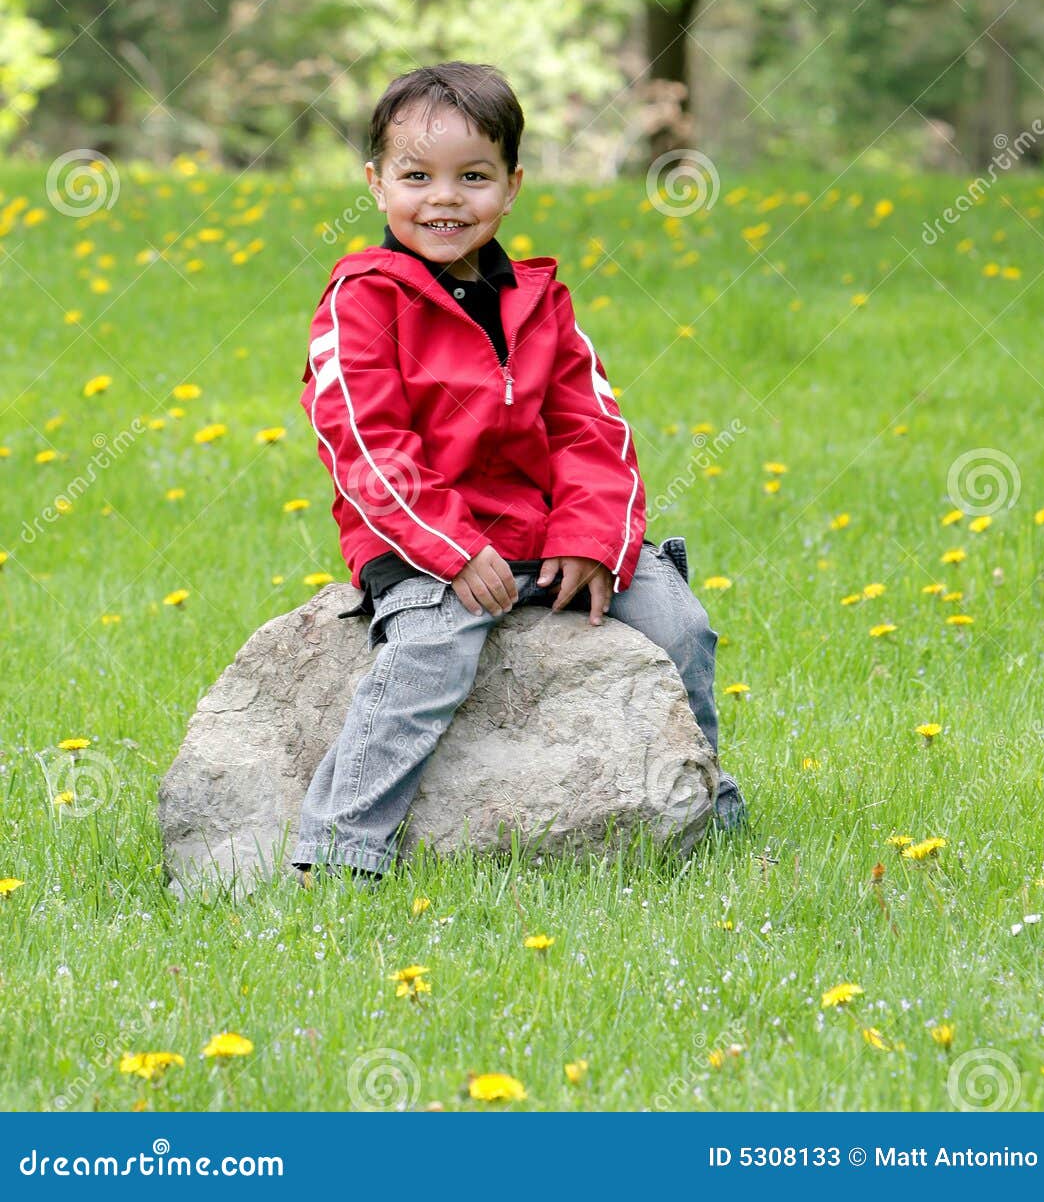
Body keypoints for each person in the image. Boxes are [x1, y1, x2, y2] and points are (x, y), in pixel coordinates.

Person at [292, 61, 746, 880]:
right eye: (416, 176)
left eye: (472, 177)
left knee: (678, 622)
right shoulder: (361, 299)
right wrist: (452, 549)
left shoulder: (539, 302)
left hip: (548, 532)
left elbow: (592, 429)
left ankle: (705, 810)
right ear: (375, 182)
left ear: (511, 187)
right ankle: (339, 847)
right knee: (430, 654)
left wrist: (592, 539)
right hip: (426, 541)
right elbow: (362, 443)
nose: (443, 199)